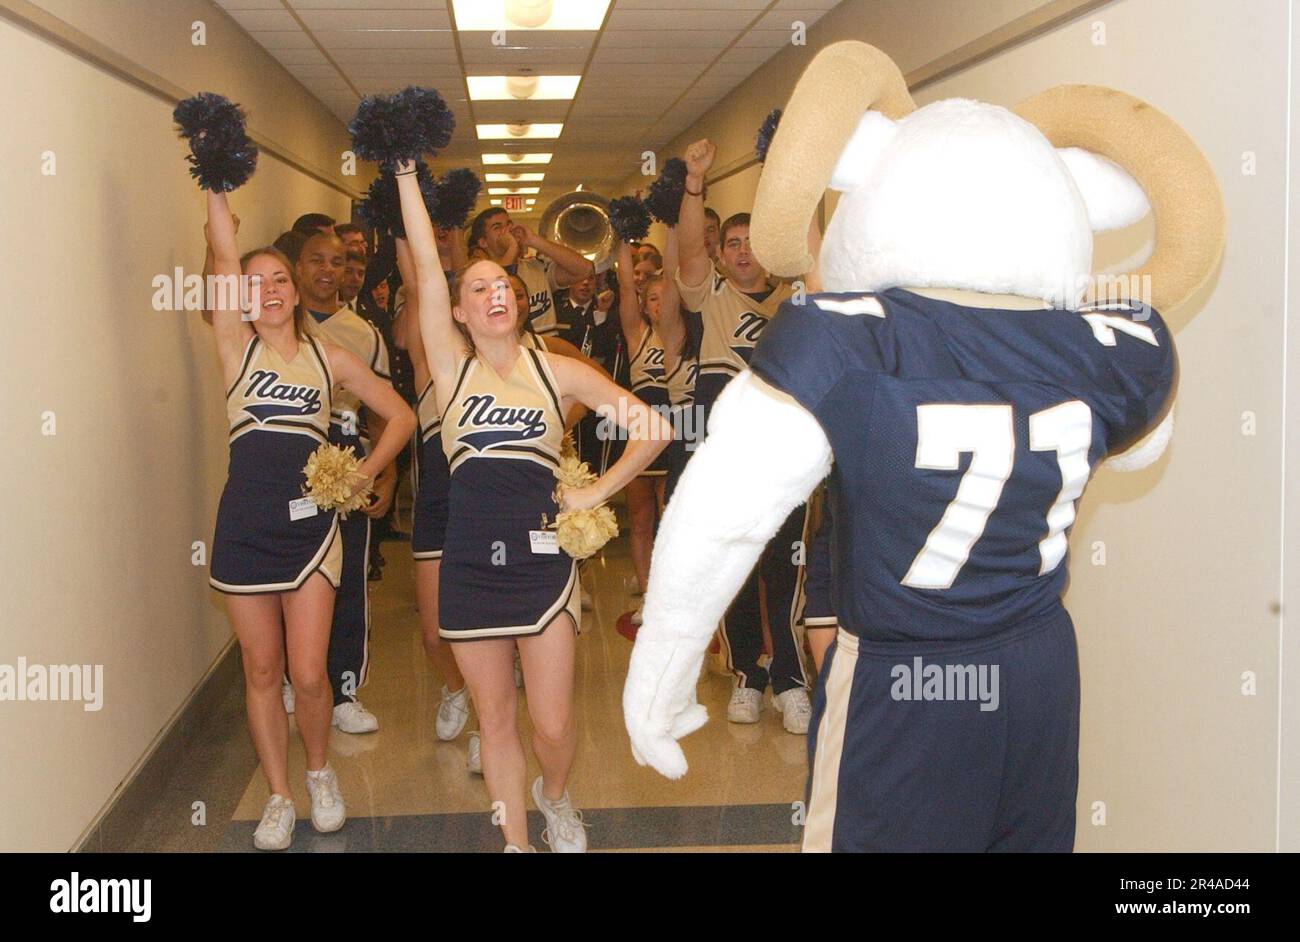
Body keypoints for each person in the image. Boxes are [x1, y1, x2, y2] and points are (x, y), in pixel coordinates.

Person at [396, 158, 671, 852]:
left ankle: (555, 796)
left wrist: (595, 491)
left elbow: (655, 427)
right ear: (459, 311)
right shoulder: (450, 369)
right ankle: (515, 841)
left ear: (518, 300)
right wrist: (403, 173)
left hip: (544, 565)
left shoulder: (560, 368)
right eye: (477, 287)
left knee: (550, 726)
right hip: (467, 565)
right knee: (495, 722)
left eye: (502, 286)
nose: (494, 294)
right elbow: (427, 271)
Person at [201, 188, 414, 850]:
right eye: (254, 282)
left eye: (277, 281)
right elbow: (222, 253)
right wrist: (216, 183)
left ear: (294, 294)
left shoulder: (330, 356)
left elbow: (401, 415)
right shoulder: (236, 347)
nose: (265, 290)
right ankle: (278, 793)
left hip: (313, 529)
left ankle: (319, 773)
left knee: (310, 671)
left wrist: (366, 470)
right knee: (261, 672)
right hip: (244, 525)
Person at [673, 139, 813, 733]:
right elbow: (686, 249)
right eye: (731, 243)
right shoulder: (710, 298)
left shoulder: (799, 299)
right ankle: (747, 677)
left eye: (753, 242)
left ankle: (789, 677)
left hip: (789, 455)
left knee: (786, 565)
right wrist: (694, 182)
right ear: (720, 256)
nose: (743, 252)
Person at [290, 230, 399, 733]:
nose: (328, 270)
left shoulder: (363, 332)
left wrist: (388, 472)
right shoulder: (272, 323)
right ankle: (298, 681)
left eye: (338, 261)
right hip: (289, 457)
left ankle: (345, 690)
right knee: (290, 572)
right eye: (316, 260)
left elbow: (385, 414)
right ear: (296, 265)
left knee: (348, 574)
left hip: (348, 455)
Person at [614, 238, 674, 624]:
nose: (658, 305)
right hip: (640, 433)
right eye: (651, 298)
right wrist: (621, 240)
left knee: (673, 520)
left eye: (664, 299)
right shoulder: (637, 335)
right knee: (640, 519)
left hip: (679, 431)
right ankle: (648, 593)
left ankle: (673, 594)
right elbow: (623, 286)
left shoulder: (689, 335)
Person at [466, 207, 594, 337]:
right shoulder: (481, 278)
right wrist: (512, 248)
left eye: (509, 224)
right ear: (483, 242)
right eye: (497, 227)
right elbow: (500, 285)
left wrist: (533, 240)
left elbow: (585, 269)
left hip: (547, 347)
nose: (507, 230)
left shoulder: (536, 267)